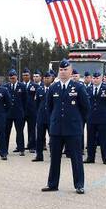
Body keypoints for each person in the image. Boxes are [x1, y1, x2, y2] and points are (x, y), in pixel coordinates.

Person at [41, 60, 90, 194]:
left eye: (65, 70)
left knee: (76, 158)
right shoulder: (53, 87)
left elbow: (86, 108)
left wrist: (78, 121)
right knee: (55, 158)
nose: (63, 72)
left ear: (71, 71)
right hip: (56, 129)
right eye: (61, 70)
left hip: (73, 129)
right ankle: (52, 184)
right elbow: (49, 108)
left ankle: (79, 184)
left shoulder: (78, 87)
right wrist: (53, 120)